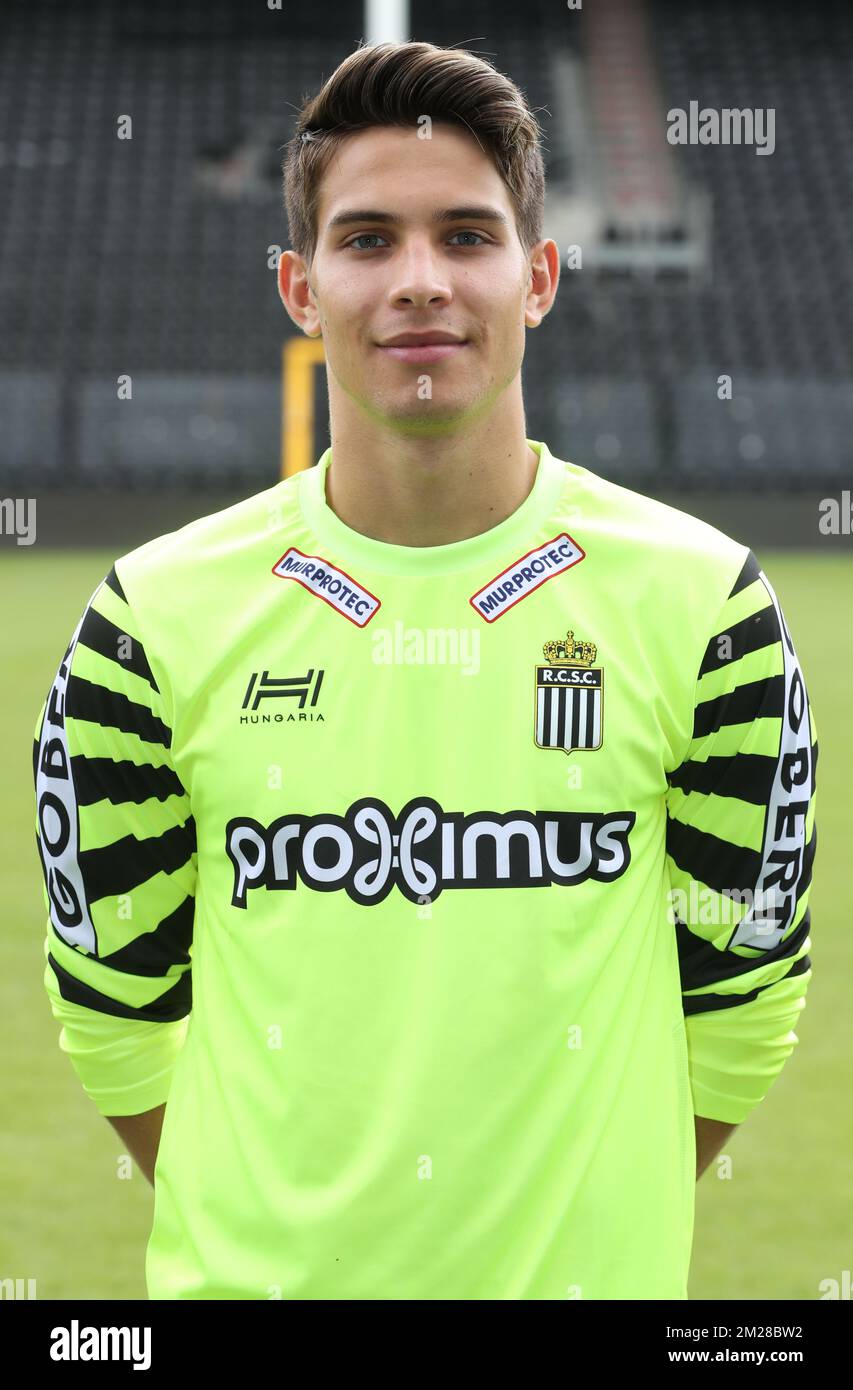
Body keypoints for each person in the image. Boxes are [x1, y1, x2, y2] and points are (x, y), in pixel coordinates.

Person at [32, 40, 817, 1300]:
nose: (418, 282)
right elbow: (113, 1009)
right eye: (364, 241)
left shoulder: (707, 607)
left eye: (465, 236)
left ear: (540, 275)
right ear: (298, 286)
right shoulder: (147, 621)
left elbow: (742, 1004)